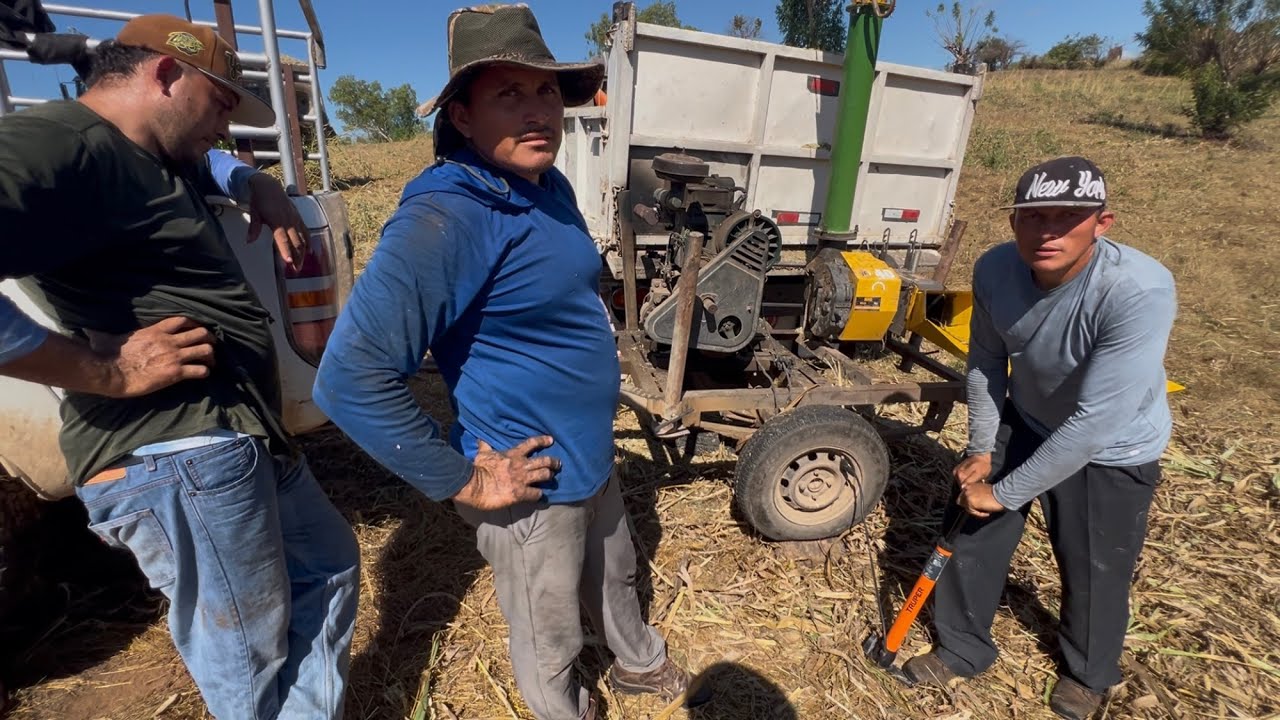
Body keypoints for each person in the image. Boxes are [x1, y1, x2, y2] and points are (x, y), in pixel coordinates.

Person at [313, 6, 700, 719]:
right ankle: (563, 710)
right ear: (460, 117)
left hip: (587, 452)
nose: (537, 113)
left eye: (547, 91)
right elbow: (348, 378)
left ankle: (638, 665)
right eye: (507, 95)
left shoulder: (544, 186)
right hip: (528, 487)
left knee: (615, 573)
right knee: (549, 632)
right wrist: (462, 479)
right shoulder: (446, 218)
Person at [0, 15, 359, 720]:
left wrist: (254, 181)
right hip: (174, 447)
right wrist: (105, 371)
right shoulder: (60, 143)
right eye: (221, 104)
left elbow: (212, 164)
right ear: (166, 74)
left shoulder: (147, 154)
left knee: (329, 564)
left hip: (232, 433)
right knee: (247, 653)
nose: (224, 129)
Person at [902, 157, 1177, 720]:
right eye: (1034, 217)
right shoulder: (997, 269)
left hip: (1113, 446)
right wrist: (982, 449)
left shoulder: (1137, 291)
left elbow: (1096, 421)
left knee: (1095, 565)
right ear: (1012, 222)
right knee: (968, 527)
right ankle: (963, 646)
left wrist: (1005, 491)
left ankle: (1088, 674)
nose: (1047, 231)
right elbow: (985, 360)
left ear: (1102, 223)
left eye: (1067, 217)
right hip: (1028, 417)